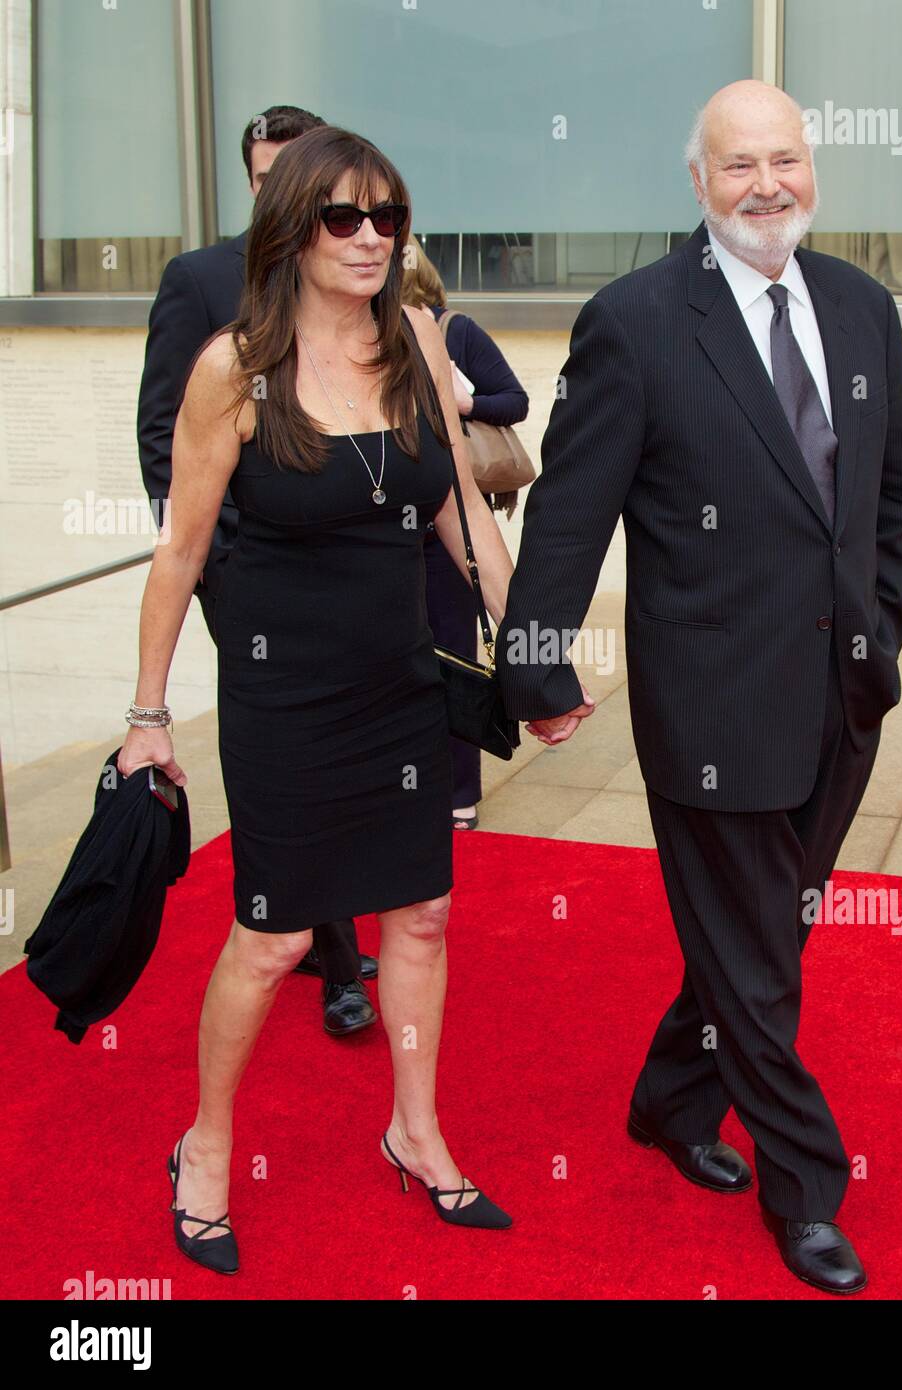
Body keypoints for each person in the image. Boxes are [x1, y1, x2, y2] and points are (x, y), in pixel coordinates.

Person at [495, 79, 902, 1295]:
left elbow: (890, 497)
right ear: (698, 181)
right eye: (738, 165)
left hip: (845, 695)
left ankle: (669, 1097)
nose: (765, 184)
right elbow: (571, 519)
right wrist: (537, 663)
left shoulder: (861, 306)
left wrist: (881, 624)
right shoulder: (634, 321)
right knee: (763, 959)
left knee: (757, 933)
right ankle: (808, 1189)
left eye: (784, 158)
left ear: (812, 168)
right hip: (714, 709)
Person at [120, 125, 520, 1273]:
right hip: (284, 696)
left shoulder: (416, 346)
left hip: (400, 683)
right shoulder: (233, 370)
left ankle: (416, 1129)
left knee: (424, 915)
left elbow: (462, 518)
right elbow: (178, 551)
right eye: (342, 217)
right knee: (275, 933)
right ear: (292, 229)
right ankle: (204, 1147)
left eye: (387, 217)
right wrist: (149, 715)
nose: (369, 238)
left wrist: (533, 650)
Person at [137, 105, 380, 1037]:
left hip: (359, 588)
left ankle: (341, 931)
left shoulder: (368, 292)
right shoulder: (200, 280)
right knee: (289, 769)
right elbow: (166, 436)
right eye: (269, 176)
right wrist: (225, 564)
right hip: (253, 583)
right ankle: (327, 954)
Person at [401, 237, 530, 831]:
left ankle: (457, 793)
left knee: (455, 655)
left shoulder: (454, 330)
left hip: (443, 529)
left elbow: (516, 400)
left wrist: (465, 399)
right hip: (390, 536)